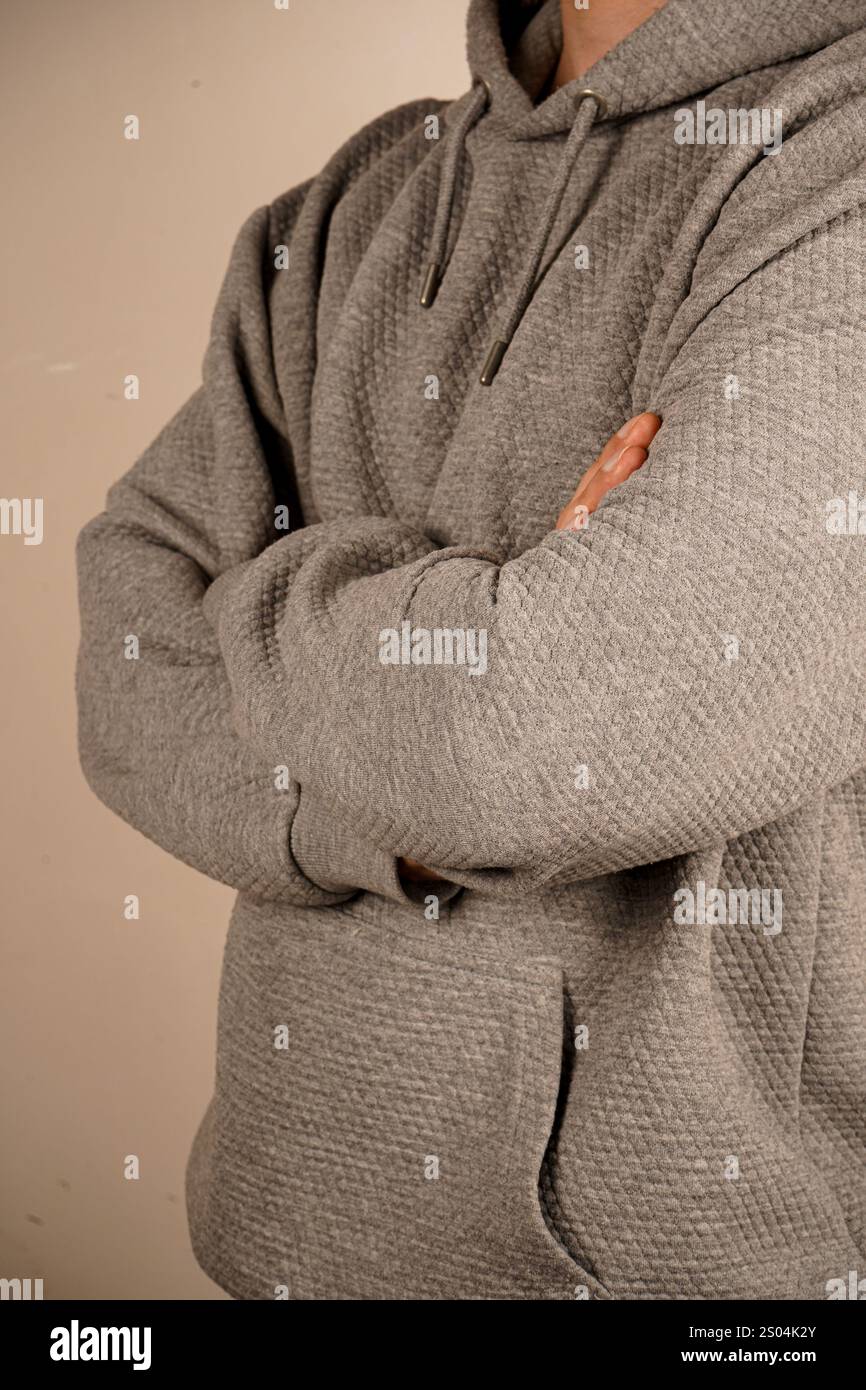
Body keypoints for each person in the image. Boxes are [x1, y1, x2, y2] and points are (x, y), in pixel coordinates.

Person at [76, 0, 866, 1300]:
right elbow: (124, 669)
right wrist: (435, 723)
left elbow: (534, 736)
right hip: (272, 1242)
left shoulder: (837, 164)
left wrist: (260, 598)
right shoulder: (343, 206)